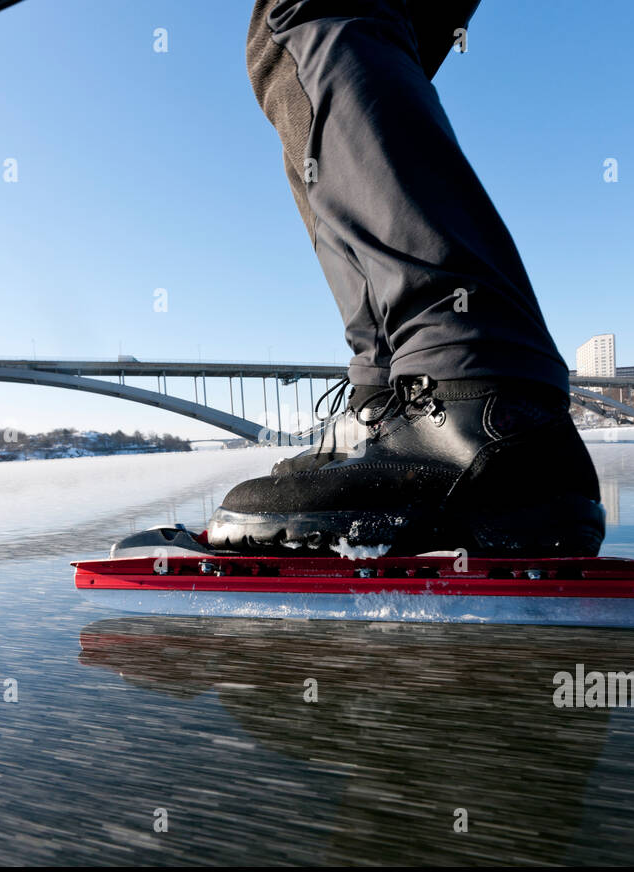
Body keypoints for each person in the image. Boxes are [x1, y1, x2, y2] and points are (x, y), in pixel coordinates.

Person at [207, 0, 603, 556]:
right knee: (332, 37)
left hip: (472, 395)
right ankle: (395, 400)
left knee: (308, 18)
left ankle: (470, 392)